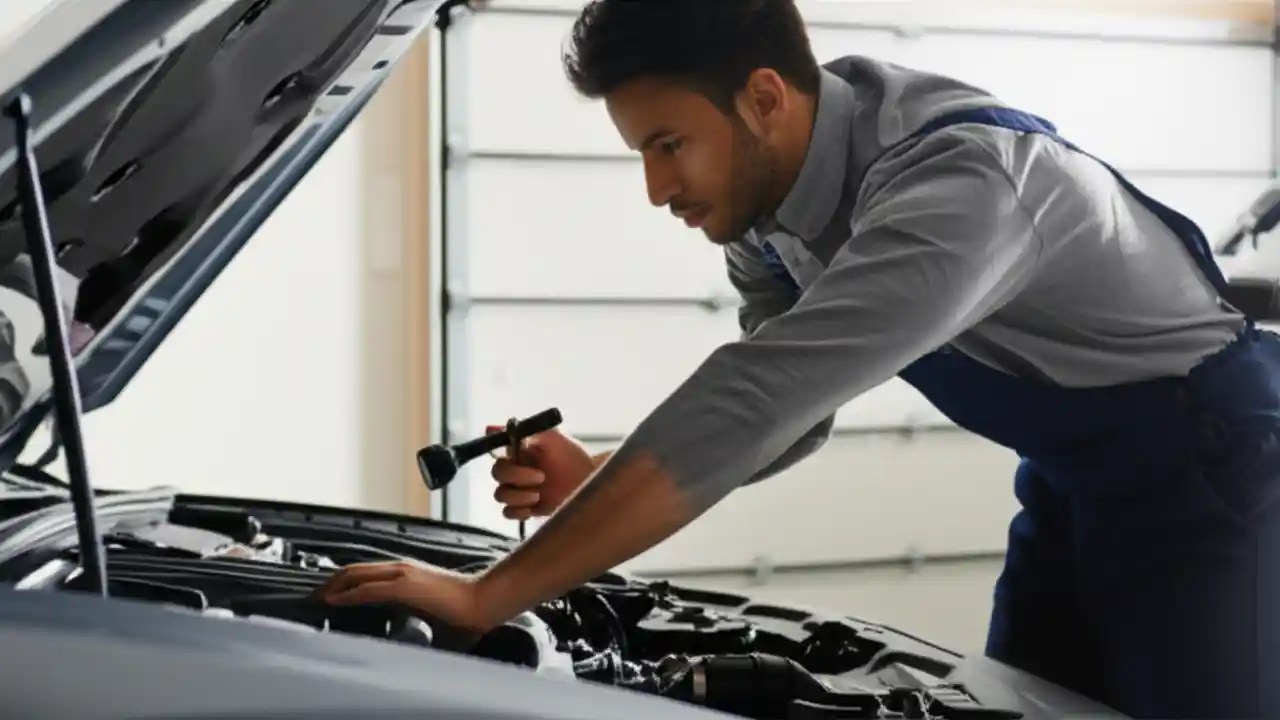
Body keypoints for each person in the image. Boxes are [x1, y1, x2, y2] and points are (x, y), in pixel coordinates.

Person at [318, 1, 1280, 716]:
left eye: (669, 144)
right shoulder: (769, 220)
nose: (657, 188)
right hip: (1073, 485)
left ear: (765, 98)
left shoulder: (959, 188)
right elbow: (790, 412)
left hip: (1217, 470)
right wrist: (602, 478)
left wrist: (490, 595)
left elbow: (757, 397)